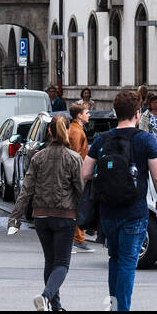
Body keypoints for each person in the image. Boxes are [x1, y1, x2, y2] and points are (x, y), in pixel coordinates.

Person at [82, 89, 157, 312]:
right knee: (129, 262)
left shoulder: (102, 139)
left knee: (115, 259)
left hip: (108, 211)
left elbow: (85, 172)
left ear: (116, 112)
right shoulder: (145, 140)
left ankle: (115, 304)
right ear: (137, 113)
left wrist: (106, 176)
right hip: (134, 211)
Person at [7, 113, 84, 311]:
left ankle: (55, 307)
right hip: (65, 216)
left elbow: (26, 190)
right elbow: (80, 189)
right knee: (62, 264)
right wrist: (86, 217)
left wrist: (15, 219)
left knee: (49, 261)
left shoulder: (37, 157)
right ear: (67, 131)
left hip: (40, 216)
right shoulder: (74, 158)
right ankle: (46, 296)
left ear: (49, 131)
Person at [67, 102, 95, 252]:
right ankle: (78, 238)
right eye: (87, 112)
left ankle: (79, 237)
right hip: (78, 174)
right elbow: (76, 155)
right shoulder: (77, 132)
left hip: (78, 173)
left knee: (78, 205)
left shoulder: (76, 129)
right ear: (79, 115)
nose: (89, 115)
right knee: (78, 205)